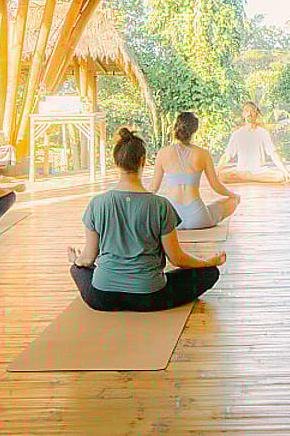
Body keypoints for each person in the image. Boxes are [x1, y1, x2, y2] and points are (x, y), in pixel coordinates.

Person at [72, 127, 225, 311]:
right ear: (143, 161)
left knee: (77, 269)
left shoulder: (97, 203)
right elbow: (177, 259)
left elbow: (88, 259)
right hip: (149, 297)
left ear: (116, 163)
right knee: (209, 273)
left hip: (102, 297)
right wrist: (208, 262)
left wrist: (76, 260)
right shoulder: (160, 205)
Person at [149, 111, 239, 229]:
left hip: (172, 219)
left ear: (176, 127)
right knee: (230, 202)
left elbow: (153, 188)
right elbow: (216, 185)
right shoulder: (203, 154)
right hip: (198, 217)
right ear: (194, 130)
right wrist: (234, 196)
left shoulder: (163, 153)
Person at [217, 102, 290, 184]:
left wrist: (284, 170)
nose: (249, 114)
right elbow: (227, 155)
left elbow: (273, 153)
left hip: (259, 171)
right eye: (247, 111)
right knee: (222, 176)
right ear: (243, 114)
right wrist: (217, 170)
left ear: (256, 114)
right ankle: (250, 178)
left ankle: (248, 178)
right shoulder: (237, 134)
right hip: (241, 170)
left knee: (280, 177)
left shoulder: (263, 133)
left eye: (252, 111)